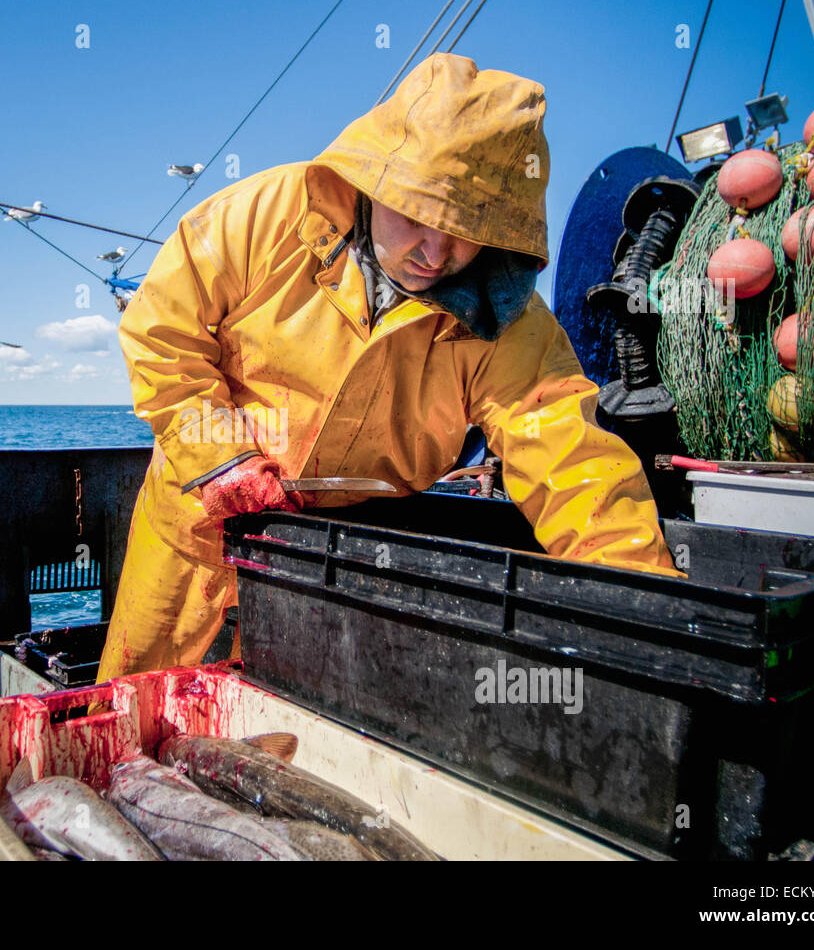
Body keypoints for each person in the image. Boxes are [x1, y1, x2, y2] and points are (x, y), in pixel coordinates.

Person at [96, 53, 681, 684]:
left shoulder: (510, 323)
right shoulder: (263, 213)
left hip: (344, 555)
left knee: (292, 729)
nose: (435, 253)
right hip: (199, 522)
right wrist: (216, 456)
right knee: (130, 710)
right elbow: (162, 332)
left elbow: (571, 460)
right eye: (416, 216)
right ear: (375, 182)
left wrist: (642, 601)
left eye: (465, 231)